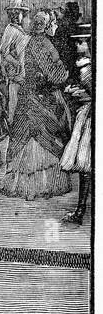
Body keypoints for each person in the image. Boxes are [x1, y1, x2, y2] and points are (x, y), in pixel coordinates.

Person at [0, 8, 73, 200]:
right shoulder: (43, 44)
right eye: (53, 23)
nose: (55, 26)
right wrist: (65, 76)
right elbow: (54, 75)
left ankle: (27, 186)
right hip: (40, 98)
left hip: (29, 96)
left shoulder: (30, 41)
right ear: (46, 26)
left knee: (26, 137)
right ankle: (41, 187)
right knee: (39, 136)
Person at [0, 0, 31, 170]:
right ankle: (9, 161)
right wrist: (16, 64)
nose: (17, 16)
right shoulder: (10, 30)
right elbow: (3, 53)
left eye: (19, 13)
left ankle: (16, 160)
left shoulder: (20, 31)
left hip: (22, 79)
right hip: (15, 80)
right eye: (14, 13)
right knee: (14, 118)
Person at [62, 20, 93, 225]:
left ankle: (81, 211)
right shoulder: (85, 64)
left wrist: (80, 93)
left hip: (91, 118)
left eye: (81, 42)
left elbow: (93, 92)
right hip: (87, 113)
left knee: (86, 167)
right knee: (86, 169)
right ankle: (80, 210)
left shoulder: (87, 66)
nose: (77, 47)